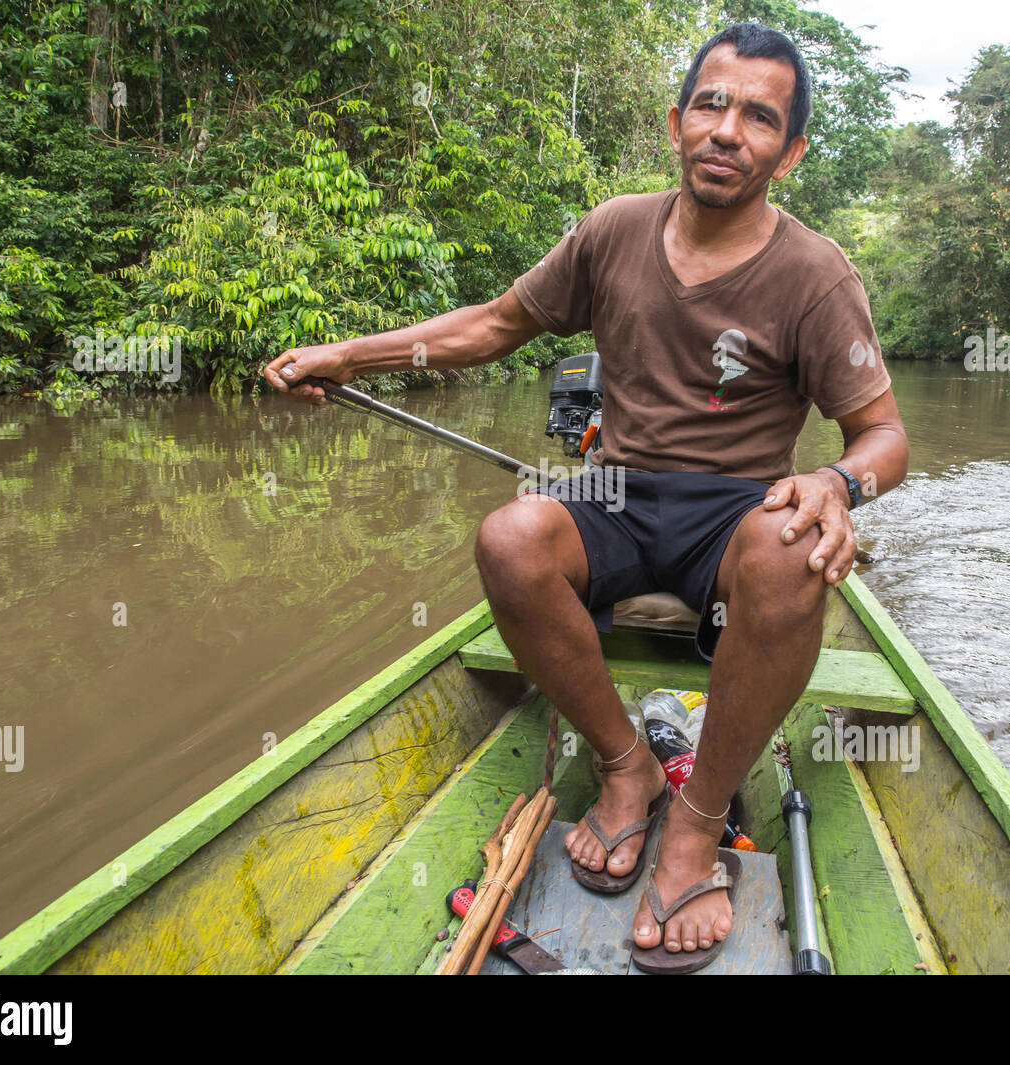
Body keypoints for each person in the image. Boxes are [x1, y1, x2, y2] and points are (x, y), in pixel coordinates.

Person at [264, 22, 908, 971]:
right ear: (677, 122)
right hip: (618, 492)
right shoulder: (613, 230)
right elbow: (493, 325)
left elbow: (885, 435)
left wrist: (833, 481)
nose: (729, 130)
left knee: (788, 546)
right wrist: (344, 352)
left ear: (792, 150)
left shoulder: (815, 275)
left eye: (760, 117)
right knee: (512, 535)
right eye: (712, 105)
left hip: (734, 514)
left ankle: (693, 825)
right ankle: (625, 763)